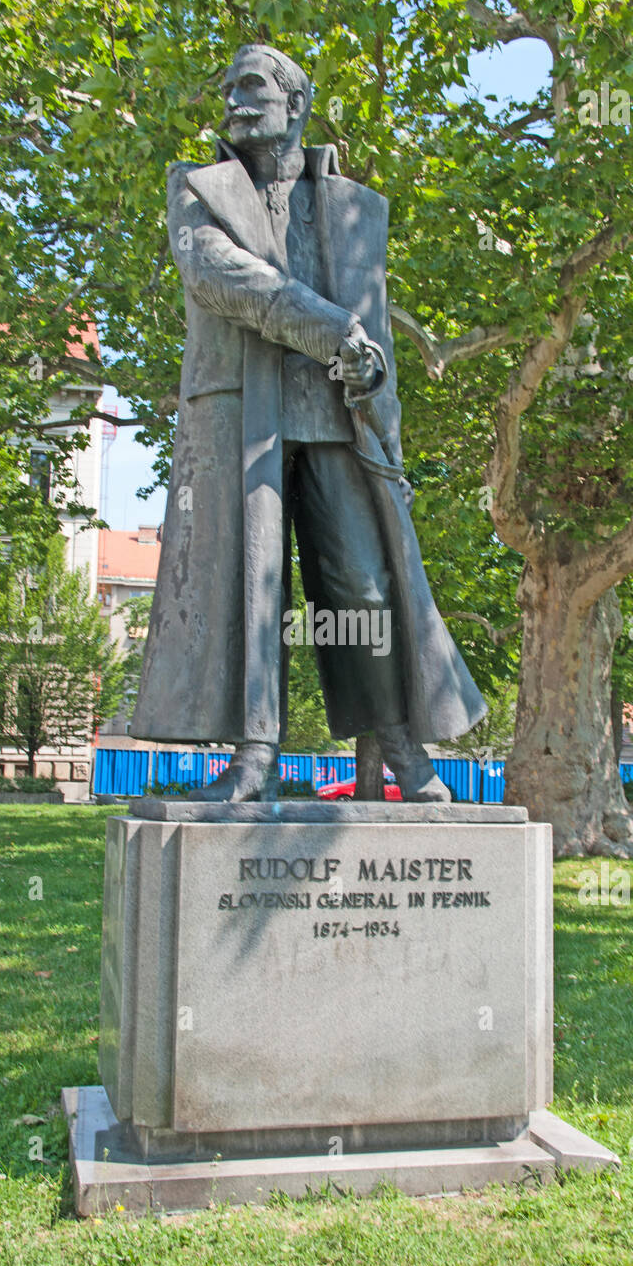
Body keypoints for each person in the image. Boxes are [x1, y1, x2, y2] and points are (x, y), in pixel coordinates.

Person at [131, 44, 486, 800]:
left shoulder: (357, 207)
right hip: (241, 409)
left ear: (296, 103)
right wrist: (329, 328)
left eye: (252, 85)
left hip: (334, 415)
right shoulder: (196, 187)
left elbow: (375, 331)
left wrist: (373, 375)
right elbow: (214, 272)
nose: (235, 97)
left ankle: (393, 740)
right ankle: (254, 756)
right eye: (227, 86)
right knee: (251, 585)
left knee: (361, 584)